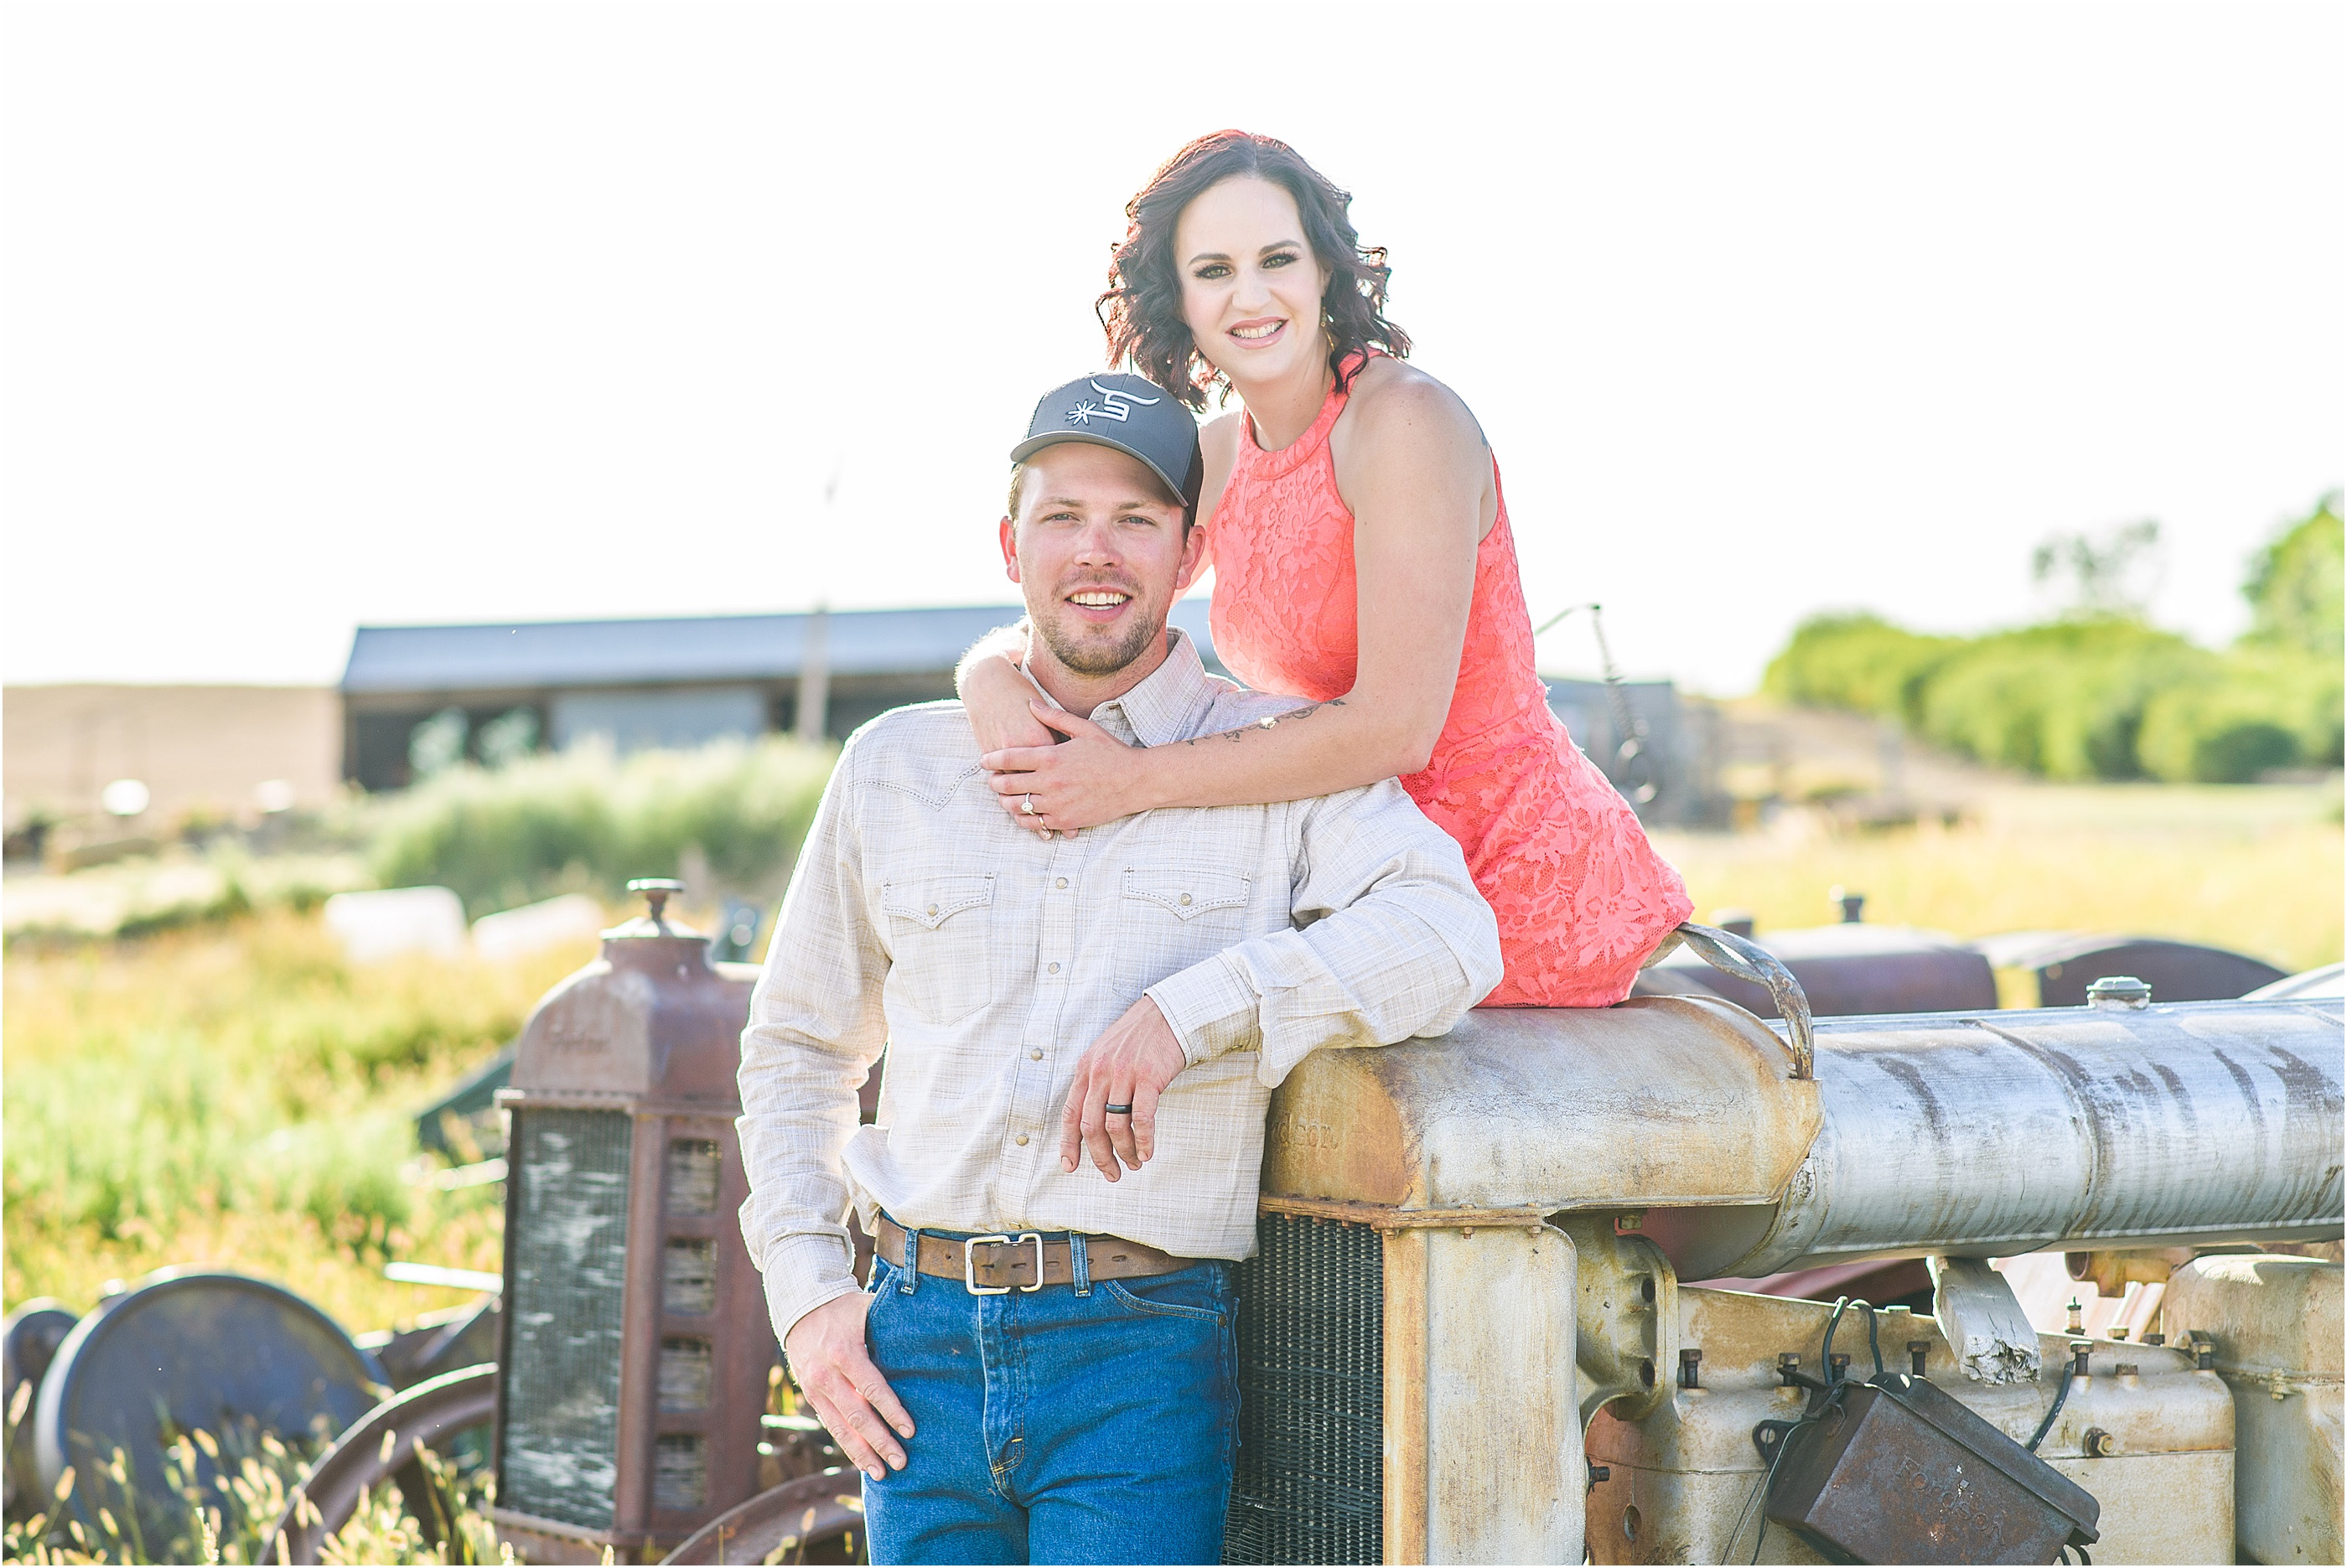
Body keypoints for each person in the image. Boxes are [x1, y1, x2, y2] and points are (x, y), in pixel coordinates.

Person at [736, 372, 1502, 1565]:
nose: (1097, 552)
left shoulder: (1274, 760)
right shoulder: (895, 766)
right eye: (1063, 516)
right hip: (912, 1345)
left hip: (1138, 1350)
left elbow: (1450, 936)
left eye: (1136, 519)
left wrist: (1193, 1011)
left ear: (1190, 554)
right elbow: (797, 1047)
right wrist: (808, 1294)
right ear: (1010, 546)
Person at [959, 131, 1692, 1008]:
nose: (1252, 295)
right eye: (1214, 270)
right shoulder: (1217, 457)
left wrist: (1130, 783)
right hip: (1352, 881)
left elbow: (1395, 729)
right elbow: (1099, 599)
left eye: (1277, 259)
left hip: (1509, 892)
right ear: (1177, 298)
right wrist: (987, 675)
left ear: (1323, 271)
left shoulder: (1404, 422)